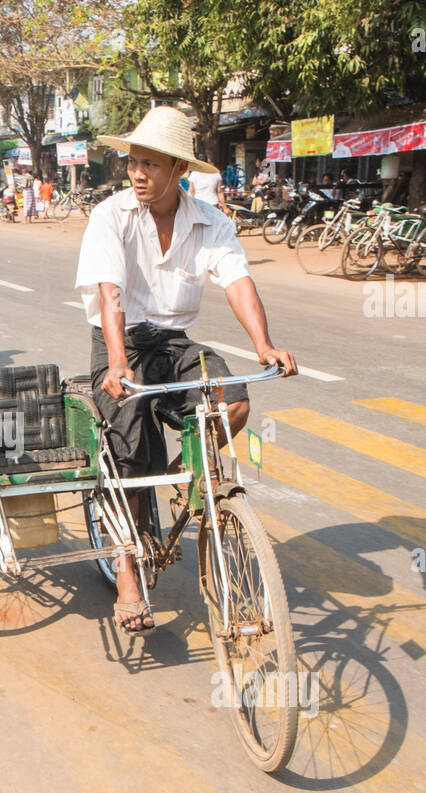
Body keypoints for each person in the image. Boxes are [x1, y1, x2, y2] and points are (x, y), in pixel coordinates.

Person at [77, 106, 297, 635]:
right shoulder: (110, 216)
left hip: (174, 342)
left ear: (179, 170)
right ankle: (127, 572)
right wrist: (117, 360)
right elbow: (110, 294)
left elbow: (238, 282)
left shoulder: (210, 220)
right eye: (133, 162)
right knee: (131, 455)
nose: (137, 173)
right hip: (120, 343)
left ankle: (186, 471)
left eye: (150, 164)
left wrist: (264, 345)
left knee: (235, 400)